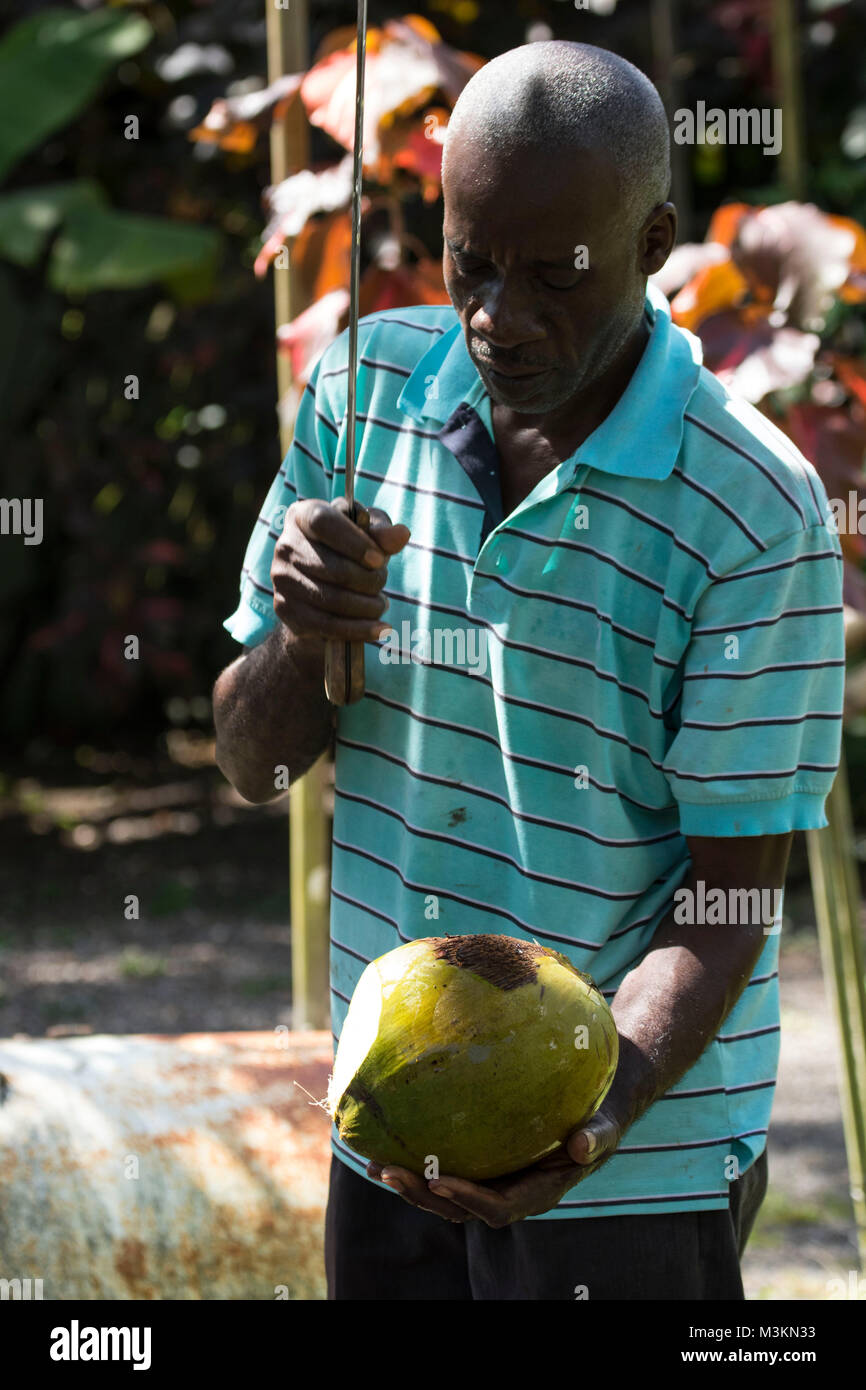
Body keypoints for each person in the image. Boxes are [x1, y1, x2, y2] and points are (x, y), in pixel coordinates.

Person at [212, 41, 844, 1300]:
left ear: (653, 237)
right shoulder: (362, 390)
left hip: (635, 1163)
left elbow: (728, 899)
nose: (498, 316)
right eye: (471, 264)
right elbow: (250, 762)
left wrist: (594, 1117)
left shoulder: (752, 510)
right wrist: (304, 630)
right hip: (388, 1119)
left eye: (553, 274)